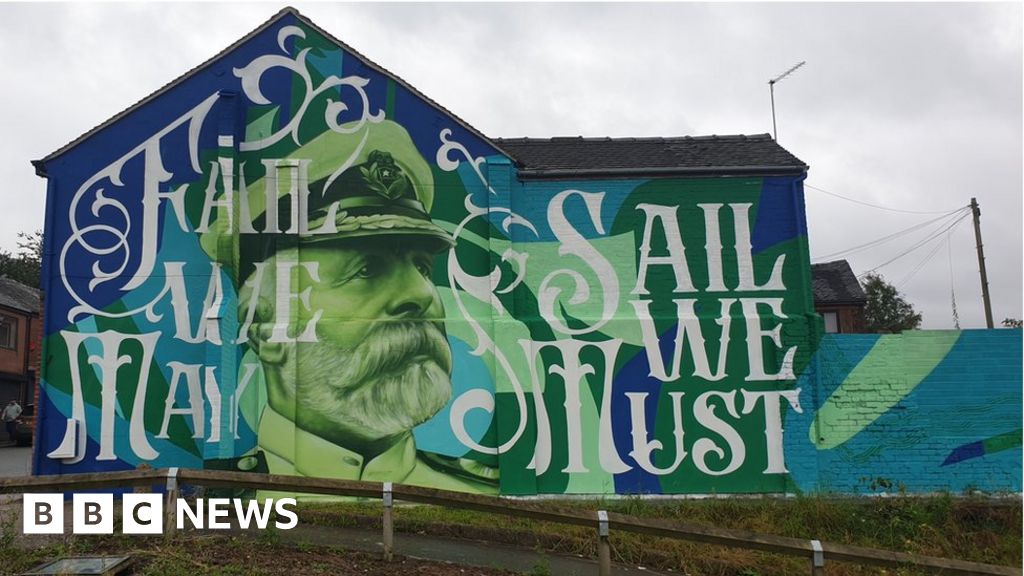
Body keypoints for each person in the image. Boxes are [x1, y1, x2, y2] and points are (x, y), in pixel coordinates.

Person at [229, 125, 498, 494]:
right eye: (367, 270)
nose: (422, 294)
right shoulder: (215, 500)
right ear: (266, 329)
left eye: (422, 267)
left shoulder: (477, 497)